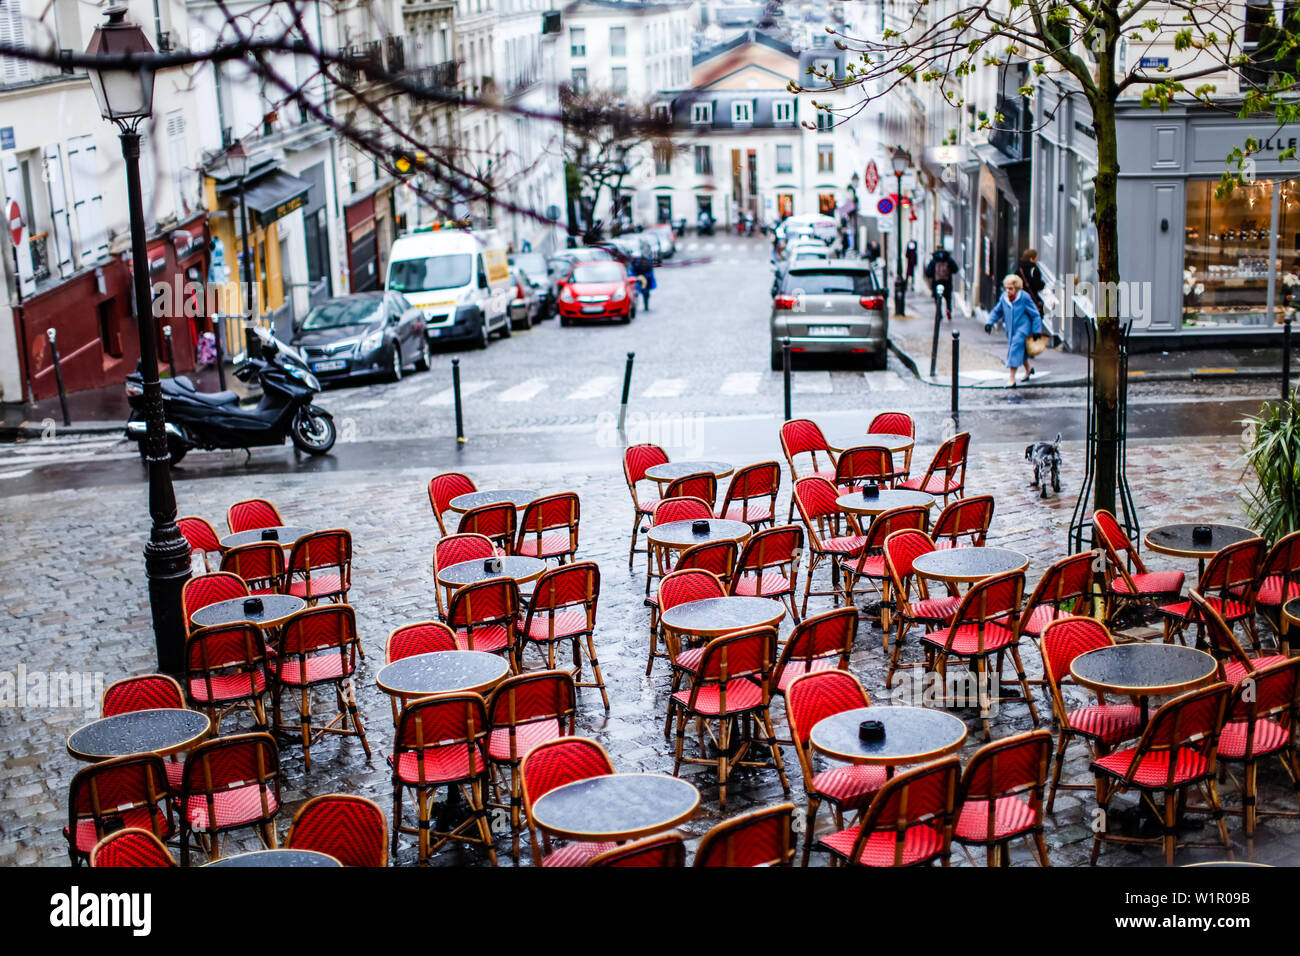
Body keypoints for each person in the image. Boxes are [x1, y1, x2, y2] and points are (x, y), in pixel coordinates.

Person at [987, 274, 1043, 387]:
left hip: (1023, 328)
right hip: (1011, 330)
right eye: (1006, 288)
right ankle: (1029, 369)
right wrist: (989, 323)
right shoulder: (1004, 298)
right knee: (1020, 352)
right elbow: (997, 311)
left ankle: (1011, 379)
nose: (1008, 291)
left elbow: (1035, 314)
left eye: (1010, 288)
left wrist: (1037, 330)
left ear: (1017, 288)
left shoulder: (1024, 297)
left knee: (1014, 349)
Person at [997, 247, 1047, 335]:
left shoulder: (1019, 270)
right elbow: (1037, 285)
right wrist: (1042, 284)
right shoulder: (1034, 269)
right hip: (1031, 298)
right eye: (1036, 258)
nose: (1037, 259)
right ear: (1031, 259)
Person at [924, 246, 960, 321]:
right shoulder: (948, 258)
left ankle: (939, 314)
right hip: (947, 282)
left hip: (936, 283)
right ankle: (948, 310)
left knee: (937, 299)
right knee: (948, 298)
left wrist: (933, 275)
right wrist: (949, 272)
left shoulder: (934, 260)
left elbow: (928, 272)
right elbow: (955, 269)